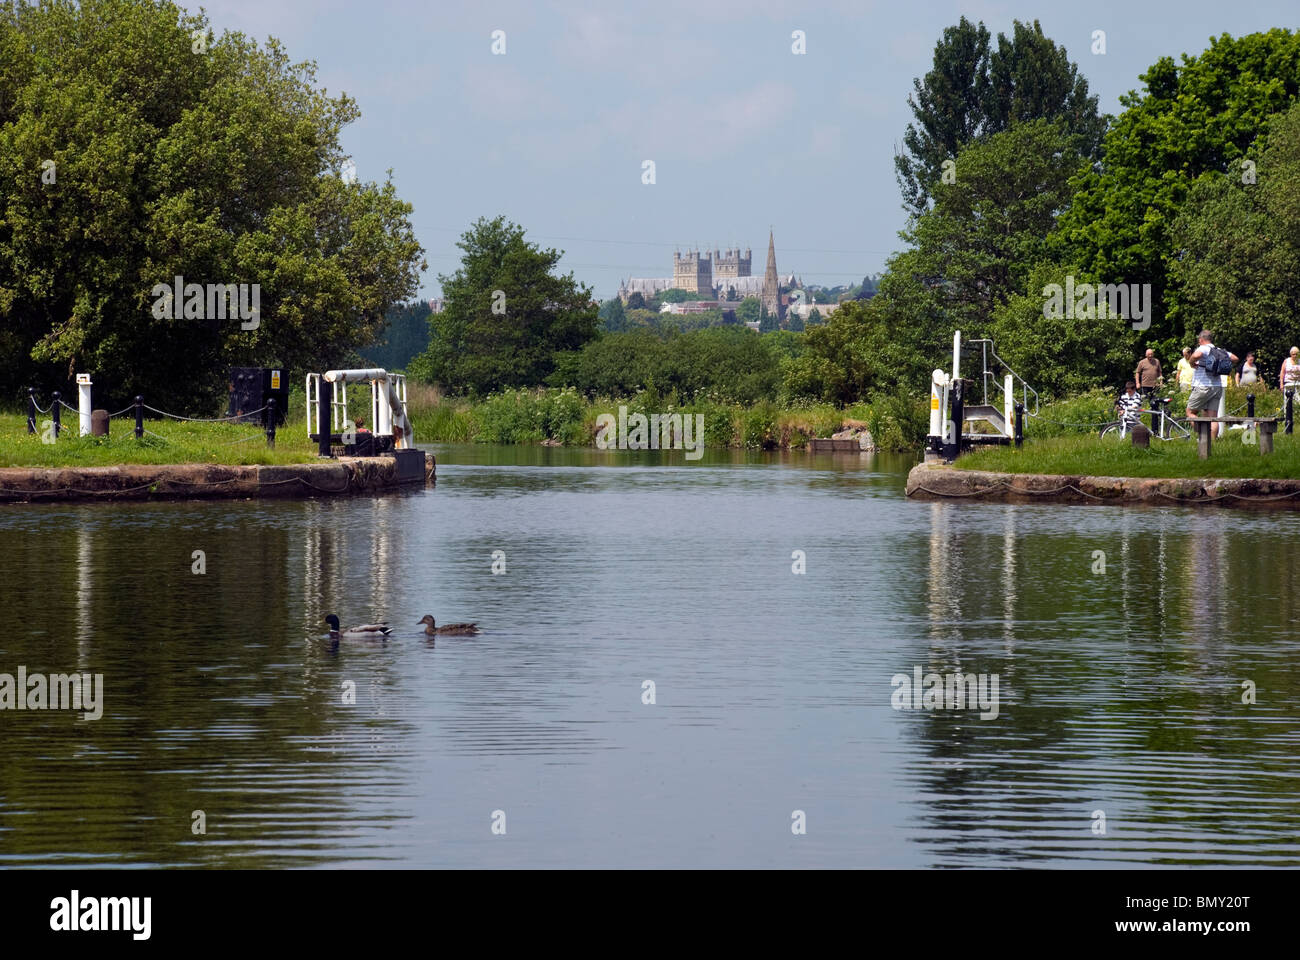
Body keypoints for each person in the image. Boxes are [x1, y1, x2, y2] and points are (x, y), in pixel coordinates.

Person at [1187, 330, 1237, 420]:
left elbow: (1196, 355)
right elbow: (1235, 358)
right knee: (1213, 418)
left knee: (1190, 412)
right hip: (1217, 386)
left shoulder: (1203, 348)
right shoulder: (1219, 350)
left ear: (1201, 339)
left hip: (1202, 386)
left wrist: (1191, 363)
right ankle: (1212, 435)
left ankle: (1200, 433)